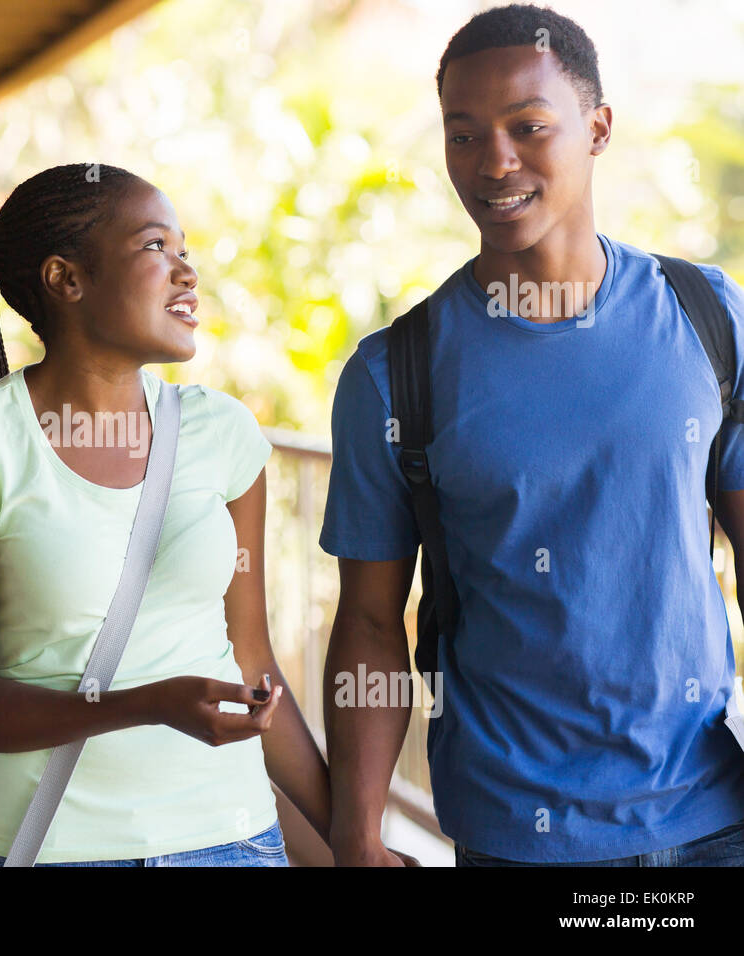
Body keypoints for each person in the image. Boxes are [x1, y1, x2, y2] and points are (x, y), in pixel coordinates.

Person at [321, 3, 744, 867]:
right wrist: (356, 829)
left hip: (715, 815)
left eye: (529, 126)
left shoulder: (706, 317)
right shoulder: (391, 374)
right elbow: (369, 621)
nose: (495, 161)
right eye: (464, 134)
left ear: (598, 130)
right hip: (519, 835)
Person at [0, 162, 343, 867]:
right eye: (154, 247)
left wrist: (352, 842)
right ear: (65, 278)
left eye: (185, 251)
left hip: (233, 841)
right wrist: (143, 705)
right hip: (55, 849)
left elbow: (254, 662)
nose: (186, 273)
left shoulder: (222, 432)